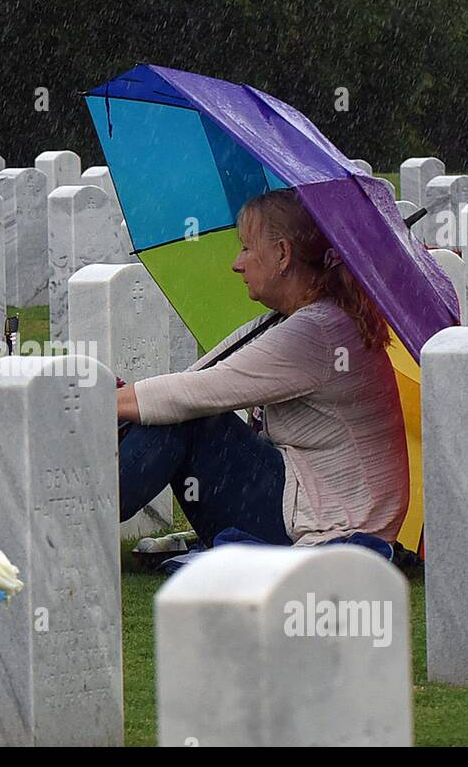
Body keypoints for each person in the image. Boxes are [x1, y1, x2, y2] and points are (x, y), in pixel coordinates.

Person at [117, 188, 409, 551]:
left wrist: (100, 403)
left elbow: (195, 394)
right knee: (177, 409)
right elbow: (195, 379)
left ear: (283, 254)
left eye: (246, 248)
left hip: (329, 527)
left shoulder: (317, 330)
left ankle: (79, 510)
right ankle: (78, 504)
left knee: (187, 416)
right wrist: (118, 400)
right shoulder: (295, 319)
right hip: (302, 506)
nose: (236, 264)